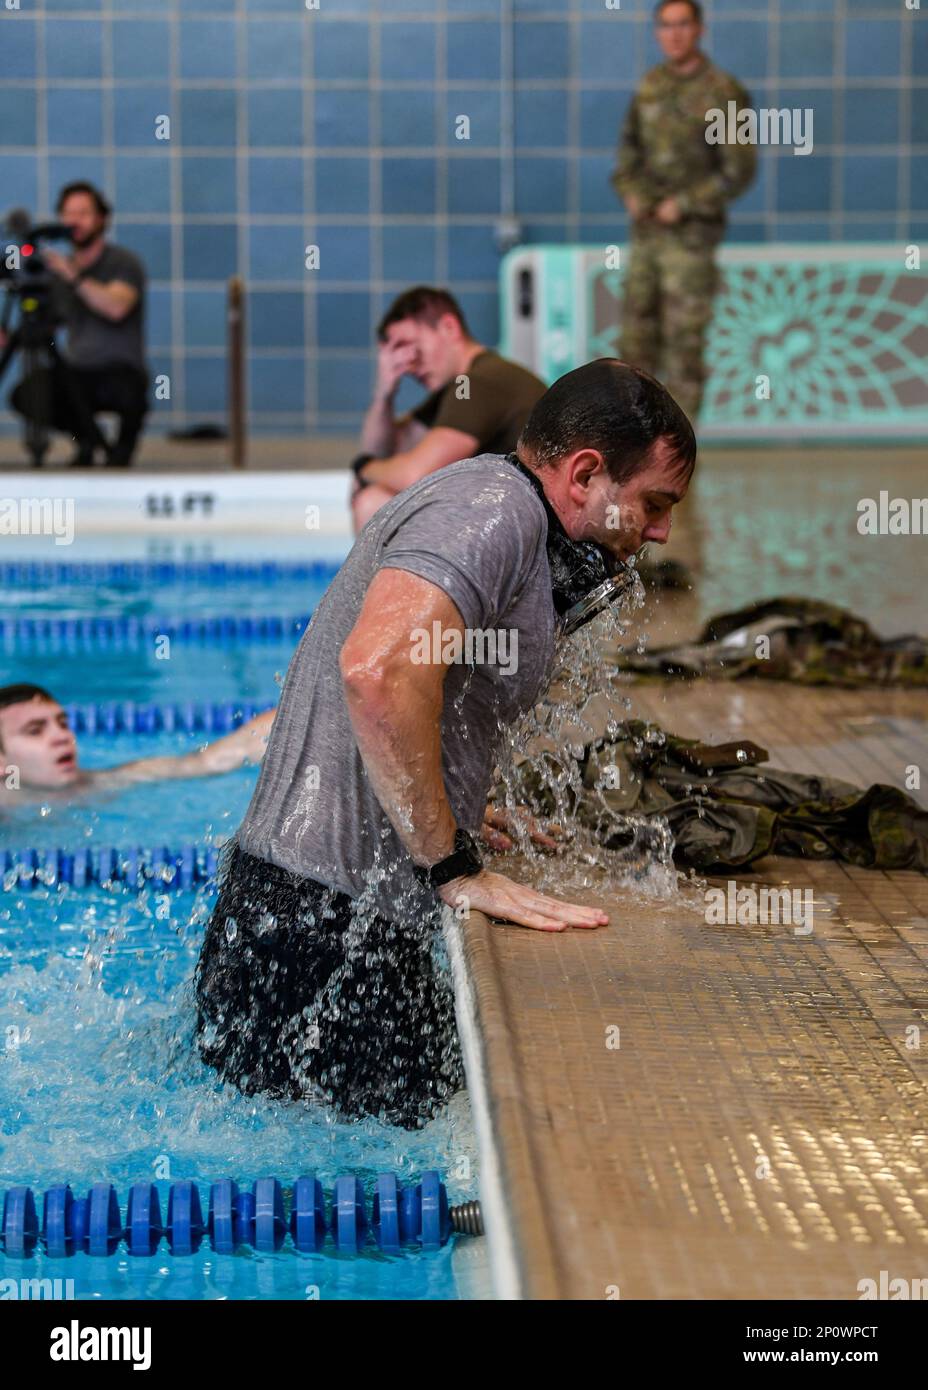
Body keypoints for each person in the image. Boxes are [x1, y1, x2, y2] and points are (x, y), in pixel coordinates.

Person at [195, 358, 697, 1130]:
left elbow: (435, 682)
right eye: (654, 503)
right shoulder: (490, 513)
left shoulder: (505, 511)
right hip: (316, 936)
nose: (662, 530)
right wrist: (454, 863)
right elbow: (377, 670)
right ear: (586, 473)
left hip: (316, 919)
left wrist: (460, 798)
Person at [612, 0, 757, 419]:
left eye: (682, 25)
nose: (673, 34)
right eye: (665, 26)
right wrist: (632, 192)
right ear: (657, 32)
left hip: (690, 241)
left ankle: (678, 450)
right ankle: (634, 444)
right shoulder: (649, 87)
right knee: (635, 342)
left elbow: (738, 172)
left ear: (699, 30)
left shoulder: (723, 91)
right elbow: (627, 156)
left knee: (683, 345)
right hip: (646, 235)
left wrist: (685, 204)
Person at [350, 285, 546, 532]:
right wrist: (384, 393)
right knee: (375, 491)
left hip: (534, 536)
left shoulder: (480, 382)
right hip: (513, 520)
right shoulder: (461, 385)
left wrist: (363, 468)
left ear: (449, 328)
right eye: (398, 352)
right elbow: (386, 451)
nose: (409, 363)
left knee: (374, 502)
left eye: (412, 346)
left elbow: (414, 474)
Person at [7, 182, 148, 467]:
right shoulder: (59, 271)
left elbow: (116, 307)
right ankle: (88, 439)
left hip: (119, 371)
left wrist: (73, 276)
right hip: (76, 372)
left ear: (102, 219)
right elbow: (47, 325)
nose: (75, 221)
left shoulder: (123, 262)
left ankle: (119, 450)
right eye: (69, 213)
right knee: (26, 394)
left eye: (84, 213)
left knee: (130, 390)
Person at [0, 684, 274, 805]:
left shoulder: (96, 785)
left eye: (62, 723)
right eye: (35, 731)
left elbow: (204, 762)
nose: (62, 736)